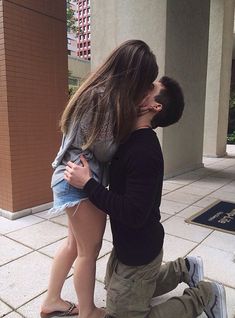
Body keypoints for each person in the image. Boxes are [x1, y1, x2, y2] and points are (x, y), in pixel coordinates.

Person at [64, 76, 228, 318]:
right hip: (130, 248)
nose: (142, 86)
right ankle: (184, 269)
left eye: (150, 87)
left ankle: (205, 295)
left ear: (154, 107)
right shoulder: (131, 138)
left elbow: (133, 213)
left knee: (122, 313)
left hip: (139, 252)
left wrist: (88, 184)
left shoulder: (144, 152)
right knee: (115, 290)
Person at [40, 40, 159, 318]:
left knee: (74, 245)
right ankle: (88, 311)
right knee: (88, 252)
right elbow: (104, 149)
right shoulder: (104, 98)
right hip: (79, 179)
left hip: (69, 176)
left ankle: (51, 301)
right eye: (145, 82)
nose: (145, 89)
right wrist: (133, 123)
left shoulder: (95, 90)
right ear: (134, 76)